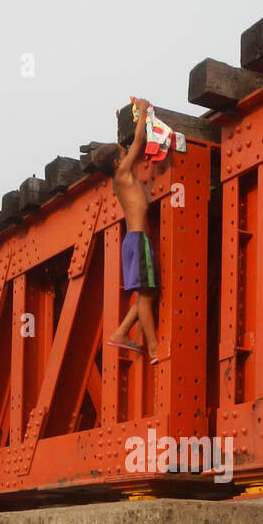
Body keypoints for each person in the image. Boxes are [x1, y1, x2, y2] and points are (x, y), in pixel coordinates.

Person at [97, 100, 163, 365]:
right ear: (117, 162)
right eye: (122, 153)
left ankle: (121, 332)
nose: (127, 153)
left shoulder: (119, 177)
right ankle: (155, 349)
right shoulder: (123, 172)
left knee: (149, 293)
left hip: (133, 241)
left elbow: (129, 148)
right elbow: (138, 141)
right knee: (146, 296)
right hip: (138, 240)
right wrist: (144, 111)